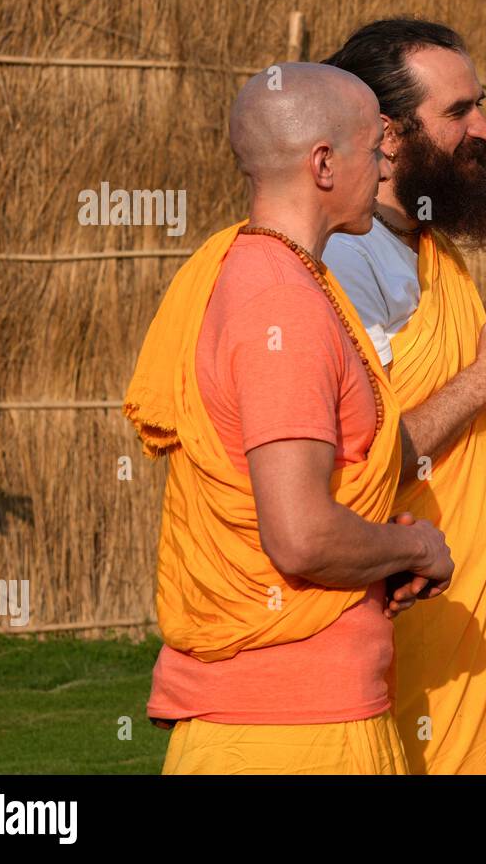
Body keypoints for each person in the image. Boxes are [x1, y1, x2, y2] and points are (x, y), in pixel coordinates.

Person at [123, 63, 453, 775]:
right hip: (286, 730)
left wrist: (375, 551)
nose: (387, 164)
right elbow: (301, 537)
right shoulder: (281, 306)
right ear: (324, 163)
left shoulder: (276, 276)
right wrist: (417, 550)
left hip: (308, 713)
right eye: (376, 149)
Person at [321, 18, 486, 774]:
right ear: (389, 134)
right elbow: (358, 458)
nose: (484, 128)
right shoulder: (344, 258)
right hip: (397, 618)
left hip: (454, 610)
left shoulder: (429, 249)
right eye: (460, 111)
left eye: (481, 105)